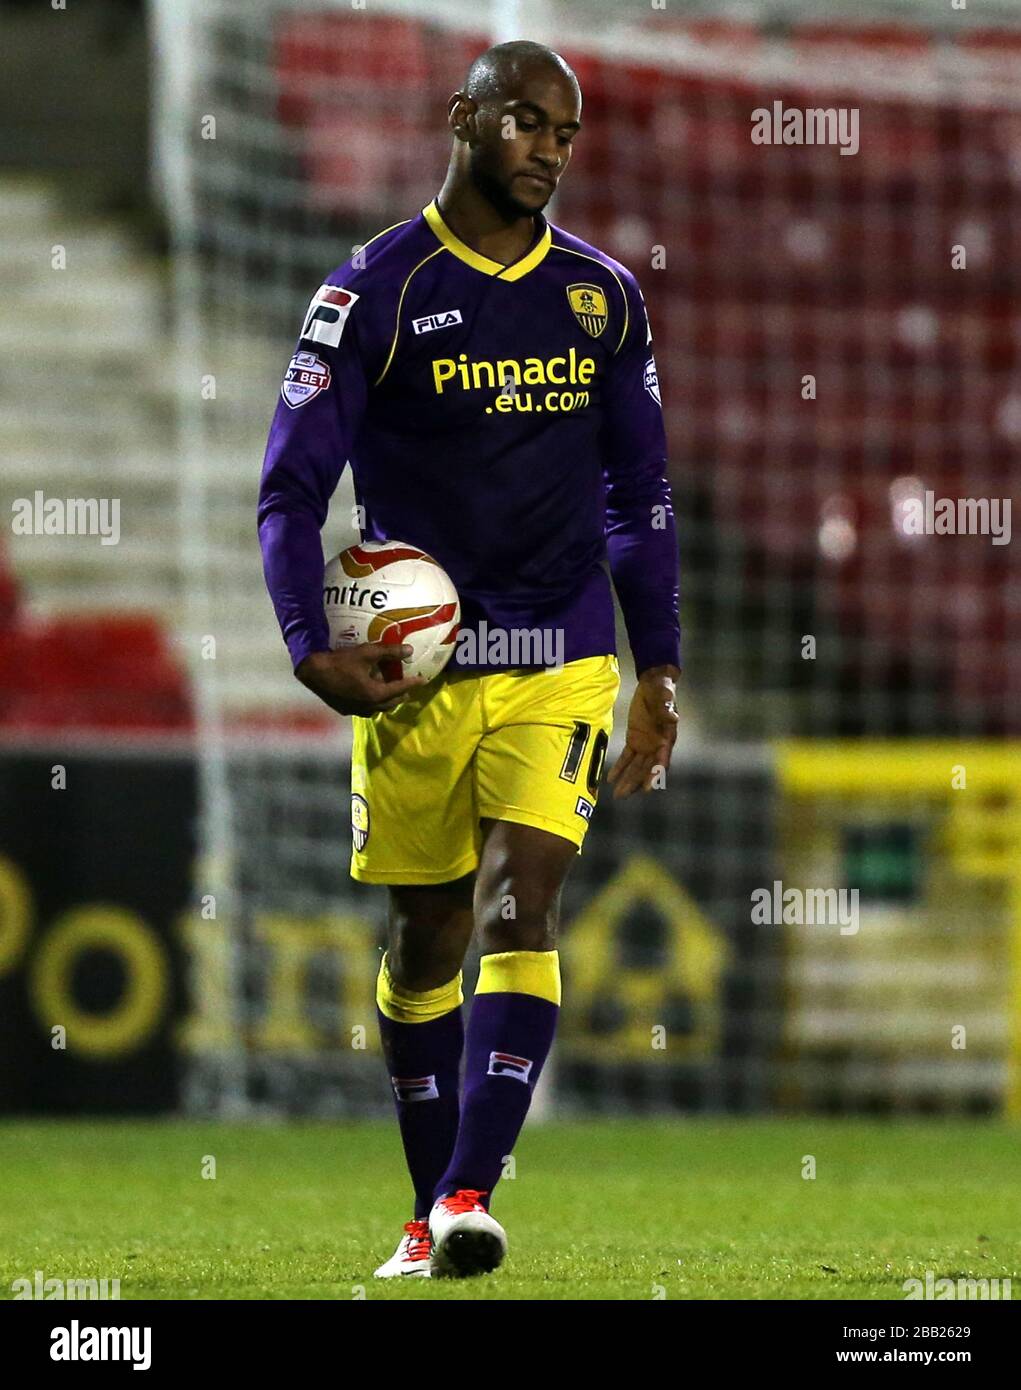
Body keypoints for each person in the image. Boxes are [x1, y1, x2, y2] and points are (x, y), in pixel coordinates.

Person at [258, 39, 680, 1279]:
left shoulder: (602, 295)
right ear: (463, 117)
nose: (550, 148)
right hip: (418, 680)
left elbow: (640, 495)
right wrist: (304, 647)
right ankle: (424, 1210)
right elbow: (290, 491)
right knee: (425, 939)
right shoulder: (370, 294)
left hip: (560, 652)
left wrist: (655, 667)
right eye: (529, 124)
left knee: (520, 900)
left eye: (567, 133)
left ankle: (467, 1193)